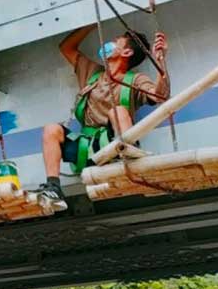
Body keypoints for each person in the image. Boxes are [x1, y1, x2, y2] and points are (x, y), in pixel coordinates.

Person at [37, 26, 169, 204]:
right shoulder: (92, 73)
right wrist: (90, 23)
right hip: (88, 146)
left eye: (116, 42)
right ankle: (53, 188)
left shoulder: (135, 80)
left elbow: (158, 95)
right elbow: (66, 48)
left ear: (127, 51)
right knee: (51, 129)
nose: (110, 43)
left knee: (119, 111)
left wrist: (161, 64)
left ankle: (129, 160)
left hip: (116, 143)